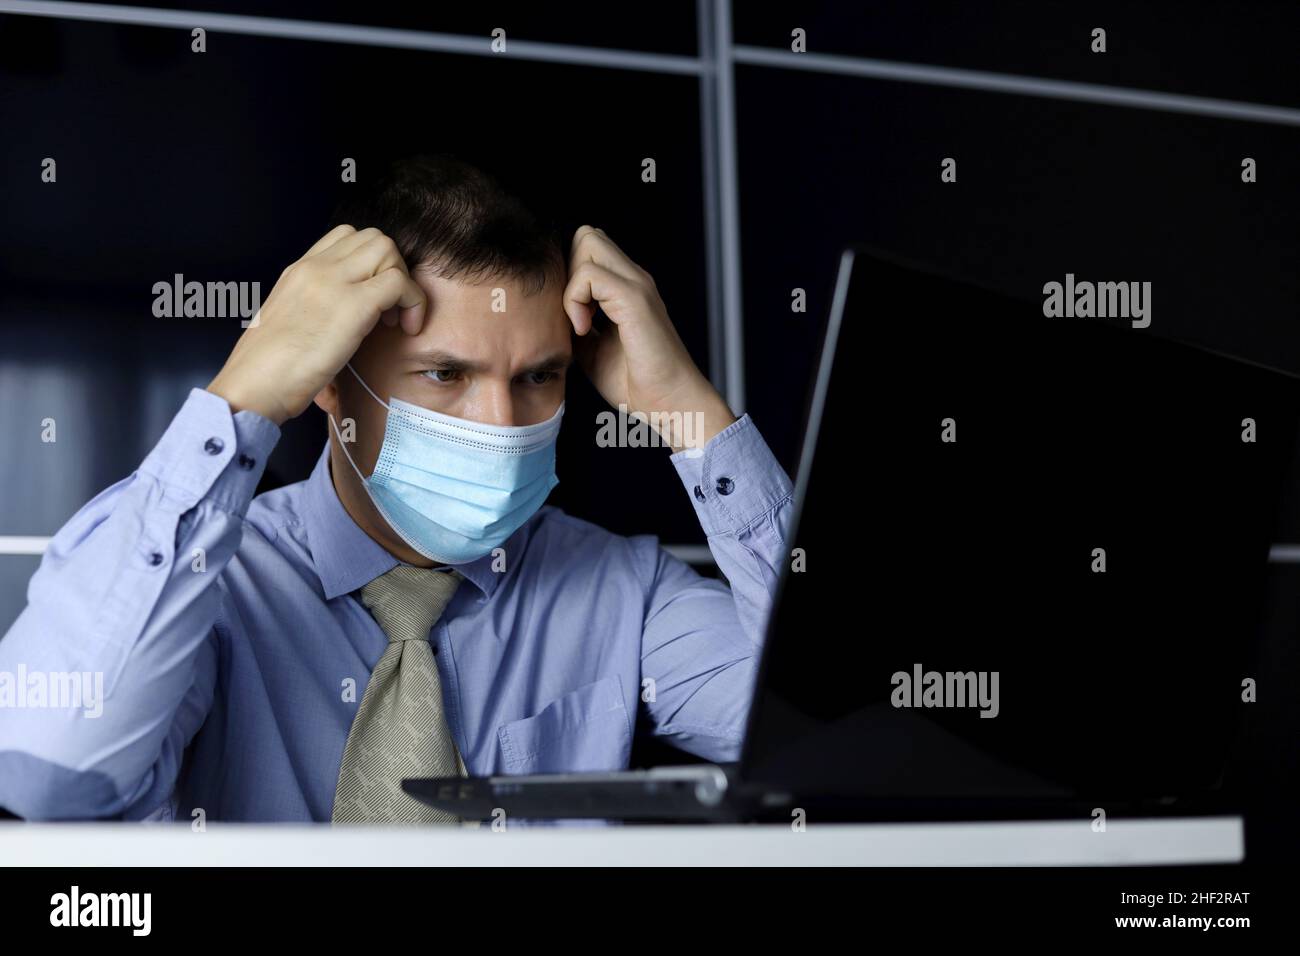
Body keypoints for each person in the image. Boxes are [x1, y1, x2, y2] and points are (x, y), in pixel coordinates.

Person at [0, 154, 794, 824]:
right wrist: (244, 394)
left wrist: (690, 412)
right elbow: (48, 772)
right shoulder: (208, 592)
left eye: (539, 377)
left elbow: (858, 731)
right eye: (446, 374)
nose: (499, 422)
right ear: (330, 379)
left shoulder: (626, 590)